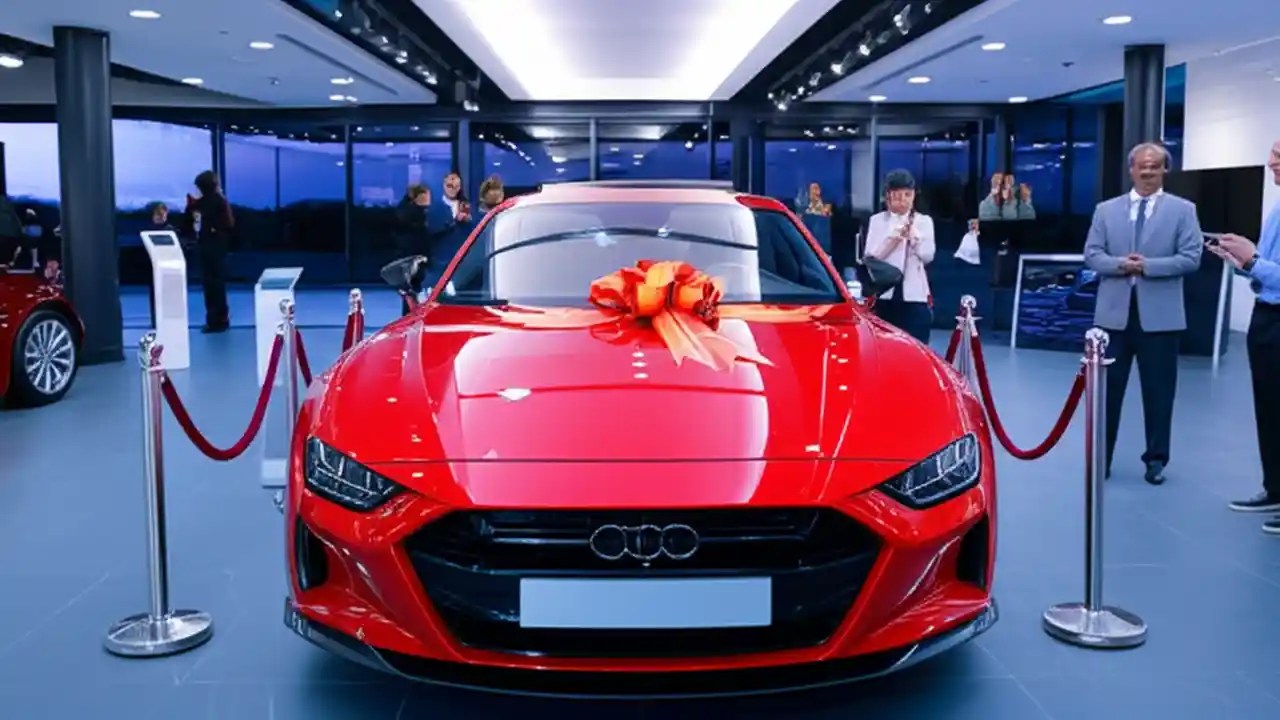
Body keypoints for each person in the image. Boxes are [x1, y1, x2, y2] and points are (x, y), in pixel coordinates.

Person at [1083, 142, 1203, 485]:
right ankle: (1100, 459)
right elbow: (1092, 254)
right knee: (1107, 394)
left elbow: (1191, 258)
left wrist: (1147, 266)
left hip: (1161, 319)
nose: (1148, 172)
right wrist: (1121, 264)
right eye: (1142, 166)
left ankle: (1156, 460)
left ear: (1165, 169)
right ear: (1131, 169)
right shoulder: (1105, 211)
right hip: (1112, 319)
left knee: (1159, 392)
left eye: (1155, 166)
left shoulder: (1184, 210)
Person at [1210, 137, 1280, 534]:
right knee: (1268, 410)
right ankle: (1274, 488)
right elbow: (1265, 265)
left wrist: (1253, 260)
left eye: (1279, 156)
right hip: (1266, 318)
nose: (1271, 163)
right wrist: (1241, 261)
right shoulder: (1276, 209)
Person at [864, 169, 936, 344]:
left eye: (907, 195)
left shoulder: (923, 221)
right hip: (884, 295)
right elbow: (871, 256)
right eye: (897, 195)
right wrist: (892, 240)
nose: (902, 200)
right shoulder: (877, 221)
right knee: (883, 347)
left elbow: (928, 256)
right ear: (887, 196)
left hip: (915, 295)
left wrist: (915, 239)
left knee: (917, 347)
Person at [181, 171, 235, 333]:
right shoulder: (219, 202)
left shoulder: (202, 204)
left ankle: (215, 320)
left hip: (208, 248)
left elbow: (188, 223)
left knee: (211, 285)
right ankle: (219, 319)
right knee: (216, 285)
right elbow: (229, 225)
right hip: (216, 248)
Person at [394, 184, 431, 315]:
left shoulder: (412, 212)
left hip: (416, 256)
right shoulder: (411, 214)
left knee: (415, 290)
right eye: (426, 195)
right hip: (410, 256)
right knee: (411, 290)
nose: (429, 199)